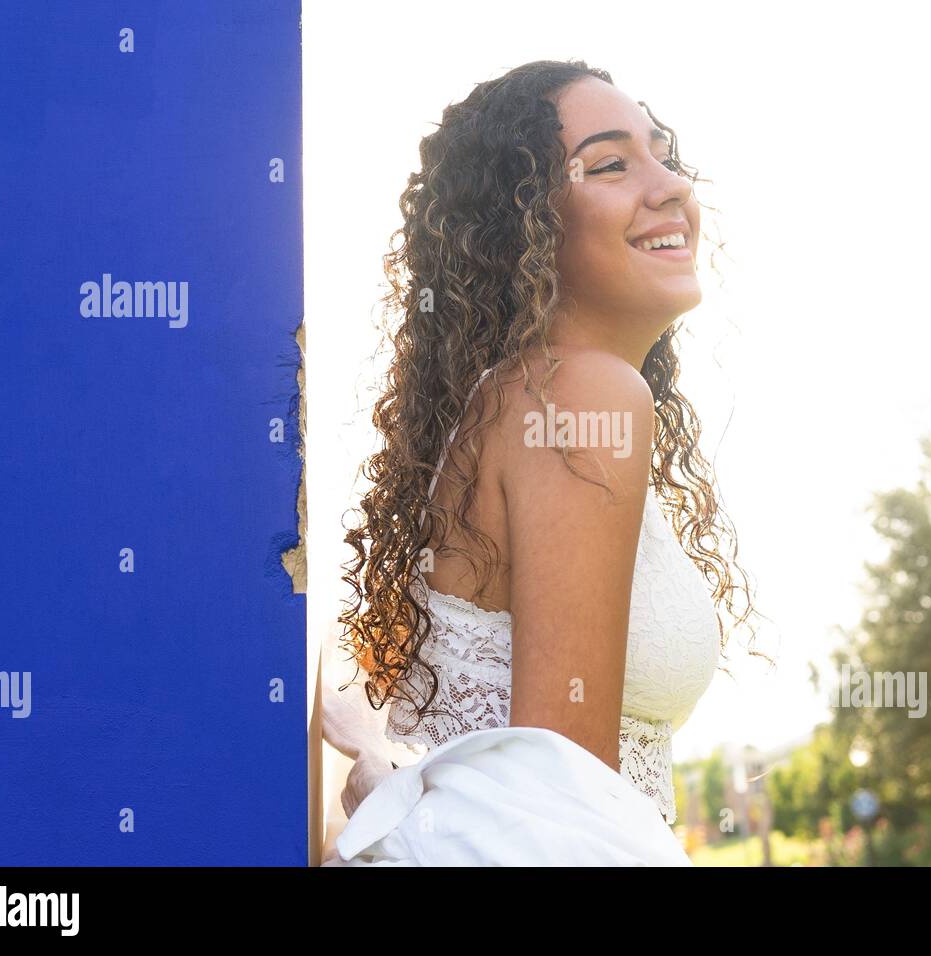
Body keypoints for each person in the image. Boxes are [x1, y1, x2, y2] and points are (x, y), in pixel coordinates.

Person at [323, 59, 762, 866]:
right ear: (526, 225)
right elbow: (566, 809)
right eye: (610, 165)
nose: (670, 187)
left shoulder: (542, 401)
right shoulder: (577, 398)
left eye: (664, 153)